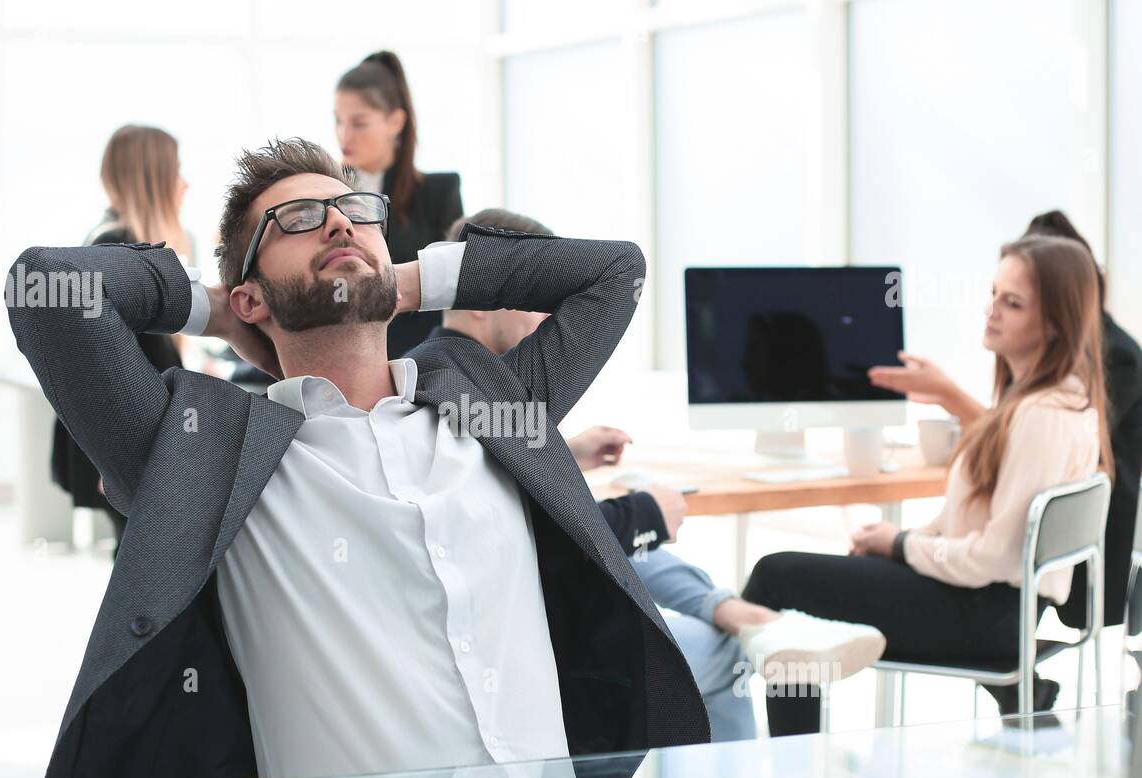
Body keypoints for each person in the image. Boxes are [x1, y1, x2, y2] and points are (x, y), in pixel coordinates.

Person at [8, 137, 712, 778]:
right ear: (251, 295)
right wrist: (214, 310)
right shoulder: (206, 450)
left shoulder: (491, 402)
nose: (339, 226)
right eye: (298, 220)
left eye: (355, 213)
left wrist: (406, 282)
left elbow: (616, 272)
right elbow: (48, 288)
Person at [425, 208, 890, 742]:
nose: (552, 327)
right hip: (533, 642)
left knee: (638, 549)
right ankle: (749, 647)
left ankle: (746, 617)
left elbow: (490, 482)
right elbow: (530, 541)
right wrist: (645, 513)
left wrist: (566, 453)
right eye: (544, 305)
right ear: (496, 295)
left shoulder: (449, 379)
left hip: (535, 604)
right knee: (721, 646)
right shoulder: (467, 391)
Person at [744, 234, 1113, 734]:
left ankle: (790, 773)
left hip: (986, 617)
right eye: (993, 293)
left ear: (1053, 324)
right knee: (793, 584)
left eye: (1013, 303)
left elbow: (996, 558)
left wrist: (900, 543)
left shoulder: (1040, 416)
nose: (991, 311)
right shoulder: (1038, 401)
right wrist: (898, 547)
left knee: (776, 579)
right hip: (992, 607)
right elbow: (975, 520)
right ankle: (796, 771)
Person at [868, 210, 1142, 714]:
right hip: (1020, 567)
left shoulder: (1095, 369)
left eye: (1016, 299)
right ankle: (1021, 695)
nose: (995, 308)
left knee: (790, 579)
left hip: (1061, 561)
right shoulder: (1051, 378)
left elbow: (1028, 450)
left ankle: (1018, 690)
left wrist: (950, 396)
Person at [49, 124, 191, 549]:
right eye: (177, 170)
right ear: (154, 178)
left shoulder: (110, 242)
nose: (186, 182)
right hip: (124, 443)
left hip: (123, 440)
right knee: (145, 561)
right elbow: (104, 363)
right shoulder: (119, 249)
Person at [335, 51, 463, 358]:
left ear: (395, 121)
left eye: (359, 123)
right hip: (343, 359)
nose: (343, 135)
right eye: (338, 121)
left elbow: (456, 286)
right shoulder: (326, 197)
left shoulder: (438, 192)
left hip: (419, 360)